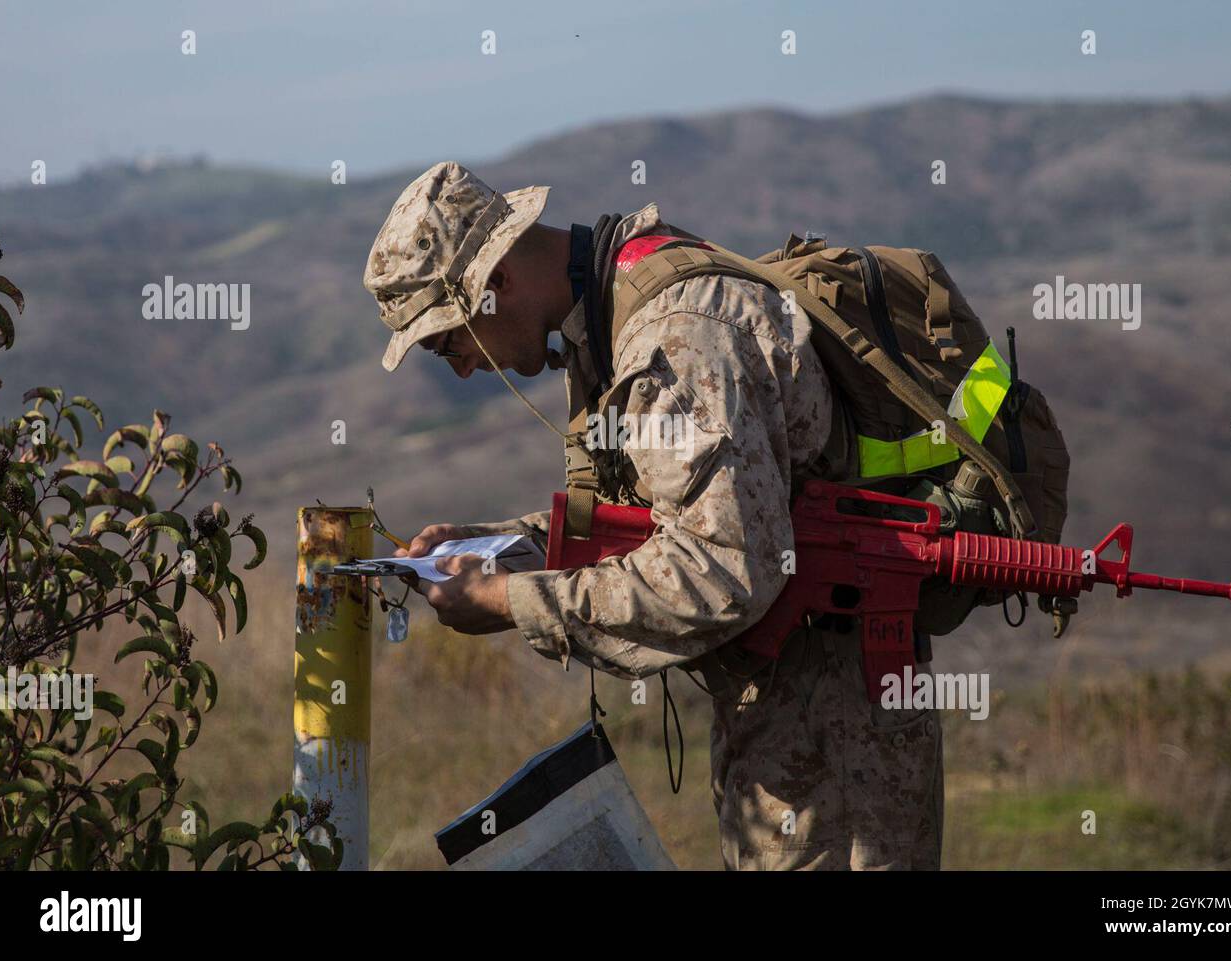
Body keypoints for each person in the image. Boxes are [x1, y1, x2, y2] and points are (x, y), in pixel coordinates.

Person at [363, 160, 943, 870]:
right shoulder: (612, 310)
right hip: (789, 720)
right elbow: (642, 519)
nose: (459, 368)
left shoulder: (673, 343)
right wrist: (499, 546)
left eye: (446, 341)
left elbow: (723, 570)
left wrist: (514, 601)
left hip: (835, 741)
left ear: (497, 284)